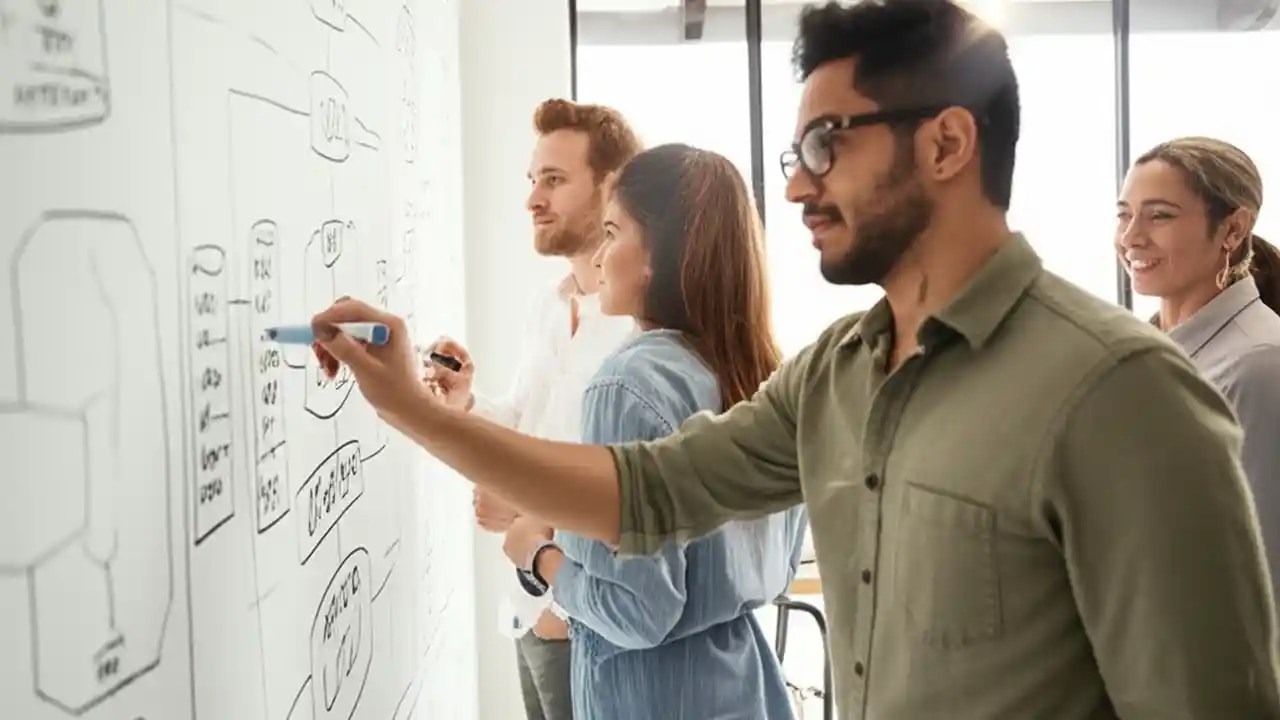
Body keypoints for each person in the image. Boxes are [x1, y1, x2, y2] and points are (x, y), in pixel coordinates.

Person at [311, 1, 1280, 717]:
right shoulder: (836, 373)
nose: (798, 189)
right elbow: (642, 490)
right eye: (793, 156)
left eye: (825, 144)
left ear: (946, 143)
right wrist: (414, 408)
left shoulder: (1126, 394)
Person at [490, 143, 807, 719]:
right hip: (747, 689)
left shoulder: (626, 384)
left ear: (659, 256)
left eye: (613, 234)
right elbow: (778, 566)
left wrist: (538, 555)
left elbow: (638, 611)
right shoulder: (765, 372)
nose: (600, 257)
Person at [427, 98, 641, 720]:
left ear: (609, 188)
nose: (532, 200)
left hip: (595, 633)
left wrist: (527, 510)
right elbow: (524, 425)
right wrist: (467, 403)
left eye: (553, 180)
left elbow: (638, 486)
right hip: (529, 615)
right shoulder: (549, 306)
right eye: (532, 179)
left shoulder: (641, 328)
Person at [1117, 135, 1280, 601]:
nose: (1131, 237)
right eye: (1124, 214)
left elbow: (1259, 574)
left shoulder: (1258, 365)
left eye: (1160, 215)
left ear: (1233, 230)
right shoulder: (1139, 354)